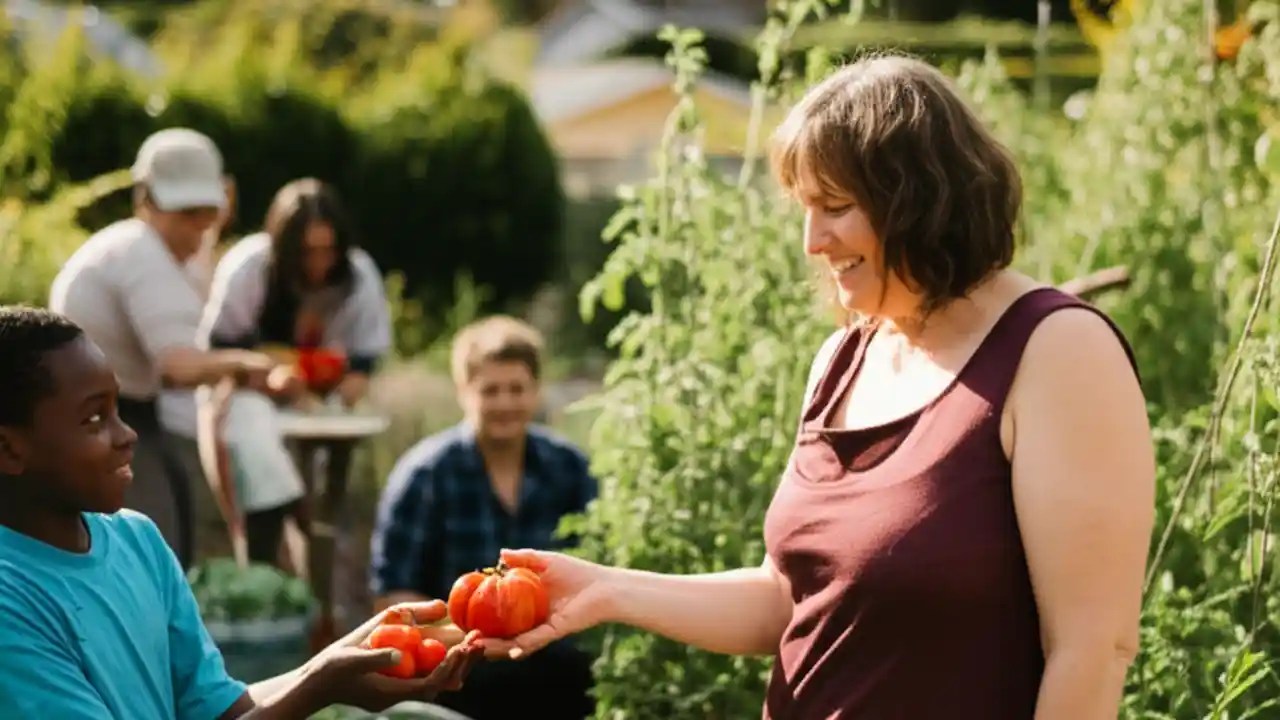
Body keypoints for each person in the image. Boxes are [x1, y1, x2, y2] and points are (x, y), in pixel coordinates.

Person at [473, 54, 1157, 719]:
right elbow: (788, 598)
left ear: (919, 202)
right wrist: (607, 588)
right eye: (804, 207)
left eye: (834, 206)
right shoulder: (843, 359)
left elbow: (1093, 650)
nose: (812, 241)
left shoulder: (1057, 351)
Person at [0, 305, 482, 719]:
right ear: (9, 448)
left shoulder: (137, 541)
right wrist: (322, 685)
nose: (127, 435)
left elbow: (221, 709)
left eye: (118, 409)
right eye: (94, 418)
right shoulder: (10, 599)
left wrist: (348, 658)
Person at [49, 128, 285, 570]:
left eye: (205, 214)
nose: (198, 227)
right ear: (147, 203)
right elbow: (176, 364)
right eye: (186, 213)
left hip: (131, 410)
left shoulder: (169, 252)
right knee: (149, 546)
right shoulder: (139, 253)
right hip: (89, 418)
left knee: (172, 535)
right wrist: (245, 365)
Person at [369, 315, 598, 720]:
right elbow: (392, 594)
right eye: (490, 390)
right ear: (464, 391)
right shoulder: (426, 475)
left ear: (536, 391)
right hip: (461, 665)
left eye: (517, 389)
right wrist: (473, 629)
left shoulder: (569, 467)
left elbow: (599, 559)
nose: (505, 403)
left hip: (555, 657)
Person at [196, 177, 393, 567]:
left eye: (327, 251)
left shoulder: (358, 276)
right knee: (258, 455)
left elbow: (366, 357)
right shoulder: (248, 268)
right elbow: (218, 350)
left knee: (333, 493)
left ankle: (323, 564)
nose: (319, 262)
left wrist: (343, 387)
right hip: (249, 397)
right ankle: (270, 554)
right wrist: (267, 377)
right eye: (307, 252)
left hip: (323, 401)